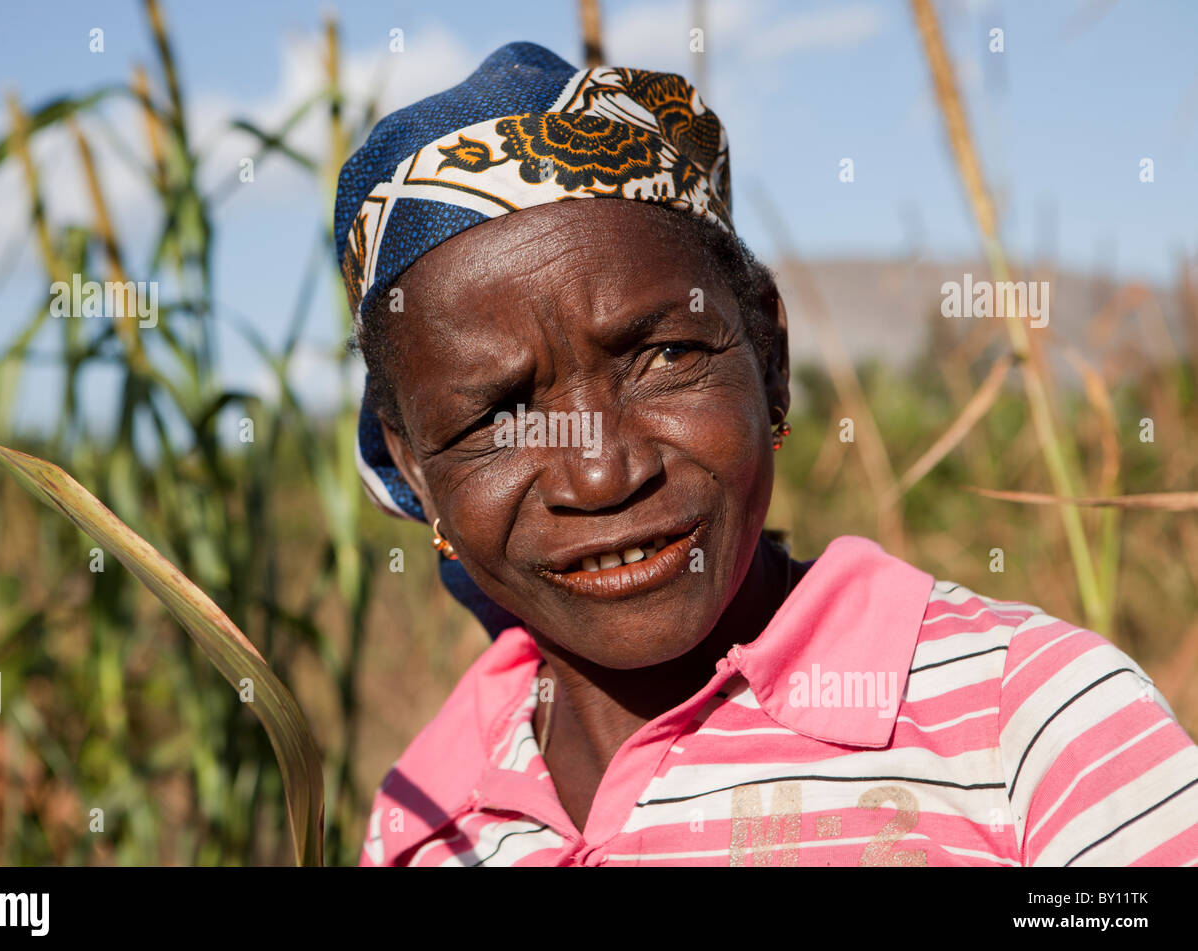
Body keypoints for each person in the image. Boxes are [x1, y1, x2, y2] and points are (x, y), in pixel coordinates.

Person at [337, 42, 1198, 866]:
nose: (602, 472)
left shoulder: (1031, 725)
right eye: (501, 415)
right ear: (412, 469)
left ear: (769, 359)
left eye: (666, 357)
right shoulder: (424, 815)